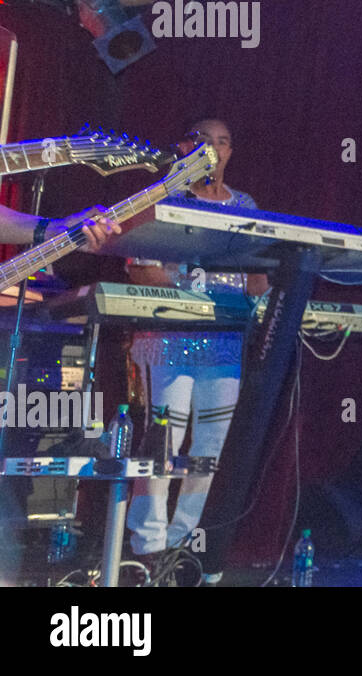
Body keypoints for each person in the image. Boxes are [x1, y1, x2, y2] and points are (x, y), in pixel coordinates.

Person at [124, 119, 267, 582]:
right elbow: (142, 269)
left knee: (210, 450)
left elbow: (258, 273)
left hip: (224, 343)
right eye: (205, 140)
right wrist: (192, 304)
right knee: (161, 446)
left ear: (231, 152)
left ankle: (184, 548)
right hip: (169, 340)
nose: (216, 149)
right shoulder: (164, 196)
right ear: (186, 147)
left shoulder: (245, 205)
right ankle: (148, 547)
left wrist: (256, 303)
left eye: (224, 141)